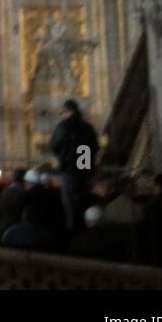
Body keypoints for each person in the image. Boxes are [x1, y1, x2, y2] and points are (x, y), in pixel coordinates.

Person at [49, 99, 99, 233]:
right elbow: (95, 148)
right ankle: (86, 231)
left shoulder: (63, 126)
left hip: (70, 172)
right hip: (86, 172)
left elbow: (54, 146)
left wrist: (63, 156)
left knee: (70, 206)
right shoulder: (88, 128)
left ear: (67, 112)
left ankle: (72, 234)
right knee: (84, 202)